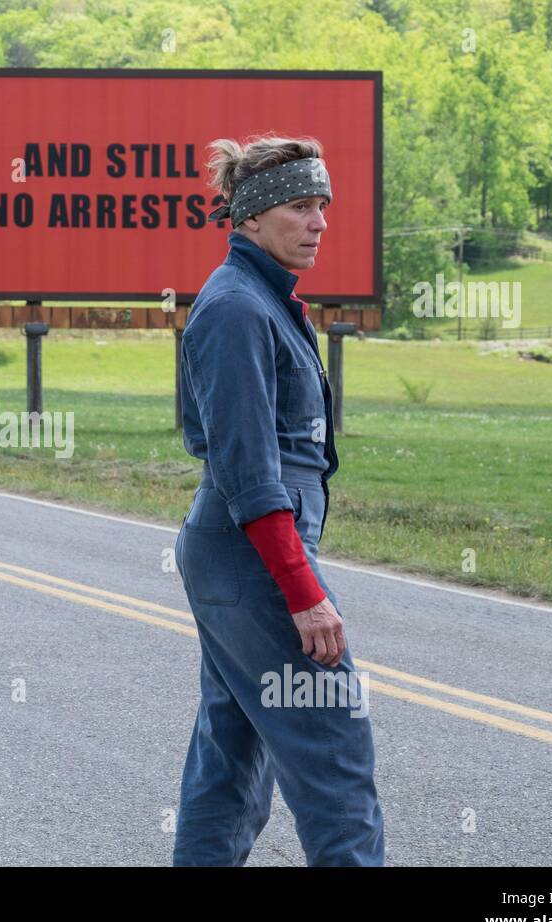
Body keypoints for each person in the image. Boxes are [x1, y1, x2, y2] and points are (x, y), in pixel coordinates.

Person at [171, 134, 385, 866]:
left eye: (323, 205)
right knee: (334, 753)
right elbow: (249, 473)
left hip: (242, 555)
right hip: (252, 557)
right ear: (253, 218)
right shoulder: (236, 310)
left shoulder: (261, 299)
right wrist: (302, 591)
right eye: (301, 206)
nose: (319, 222)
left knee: (232, 757)